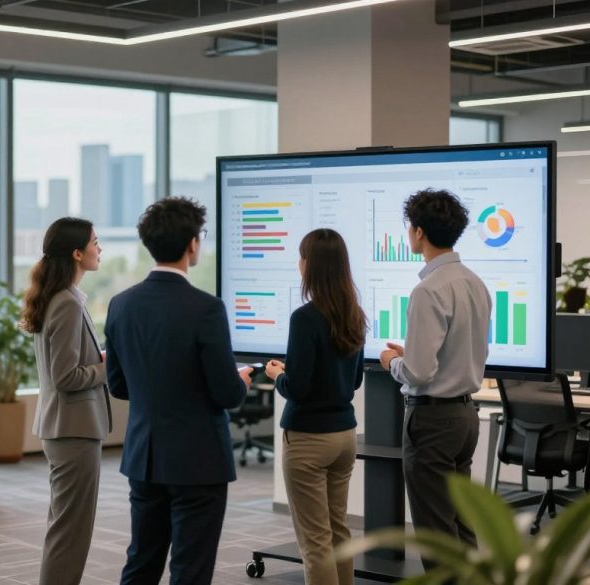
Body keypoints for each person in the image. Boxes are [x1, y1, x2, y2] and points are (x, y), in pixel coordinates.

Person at [105, 196, 252, 585]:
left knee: (141, 563)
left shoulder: (120, 305)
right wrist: (241, 381)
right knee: (190, 570)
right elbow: (226, 393)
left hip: (145, 457)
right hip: (198, 462)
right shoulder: (206, 308)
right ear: (192, 243)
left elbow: (118, 385)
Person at [379, 189, 491, 561]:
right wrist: (412, 356)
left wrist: (391, 362)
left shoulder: (427, 290)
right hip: (464, 417)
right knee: (459, 525)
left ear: (419, 232)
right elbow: (459, 351)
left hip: (432, 421)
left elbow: (419, 373)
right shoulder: (475, 282)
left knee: (436, 535)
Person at [265, 228, 365, 585]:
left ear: (310, 265)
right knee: (338, 532)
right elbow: (354, 380)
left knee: (315, 542)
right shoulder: (355, 314)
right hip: (344, 437)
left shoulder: (305, 318)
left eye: (301, 256)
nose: (299, 263)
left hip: (308, 439)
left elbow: (298, 388)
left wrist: (278, 374)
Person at [21, 217, 112, 585]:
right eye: (95, 242)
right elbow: (66, 377)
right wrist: (109, 367)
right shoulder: (67, 303)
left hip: (65, 428)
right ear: (77, 253)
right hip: (73, 430)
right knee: (71, 533)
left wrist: (97, 359)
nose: (99, 248)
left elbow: (65, 366)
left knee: (65, 527)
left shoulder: (60, 297)